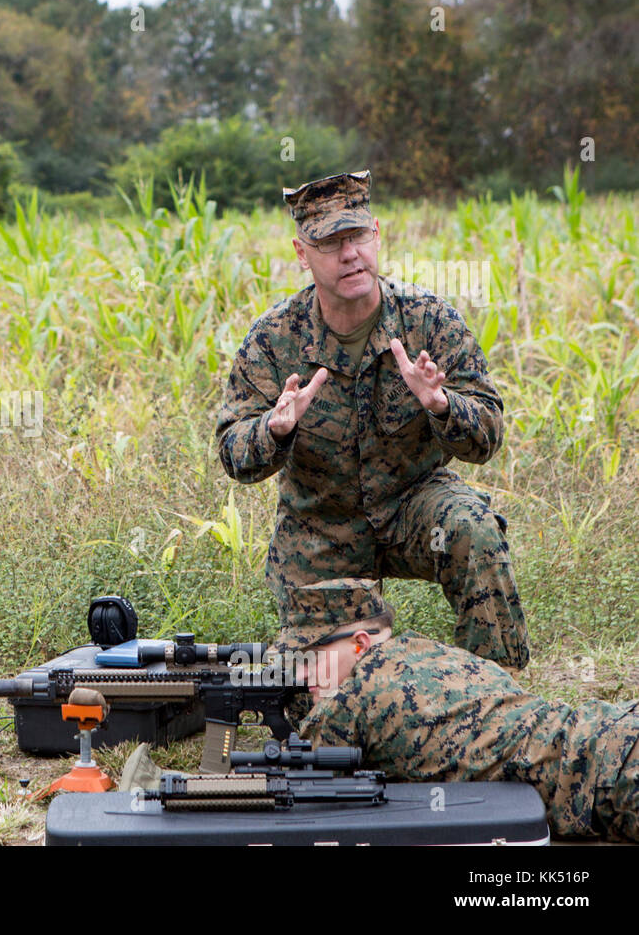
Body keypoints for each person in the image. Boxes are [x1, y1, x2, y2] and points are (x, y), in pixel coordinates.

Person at [215, 169, 528, 669]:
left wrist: (443, 406)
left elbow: (488, 434)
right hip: (322, 529)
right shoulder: (275, 339)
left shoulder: (428, 321)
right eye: (330, 243)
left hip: (413, 505)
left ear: (376, 234)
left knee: (473, 526)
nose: (350, 254)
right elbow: (232, 451)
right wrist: (273, 432)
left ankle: (499, 699)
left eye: (357, 236)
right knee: (315, 696)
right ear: (301, 253)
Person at [279, 578, 639, 842]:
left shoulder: (351, 700)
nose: (303, 672)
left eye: (311, 656)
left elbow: (297, 798)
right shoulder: (432, 651)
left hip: (608, 777)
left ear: (360, 643)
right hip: (612, 728)